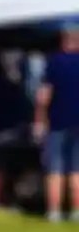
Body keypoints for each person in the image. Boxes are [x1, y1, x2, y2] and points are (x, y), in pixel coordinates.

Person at [35, 25, 79, 222]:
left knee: (55, 169)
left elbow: (44, 95)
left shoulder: (54, 62)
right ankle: (76, 211)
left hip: (57, 121)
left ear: (64, 40)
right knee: (77, 170)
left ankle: (54, 211)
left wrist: (39, 119)